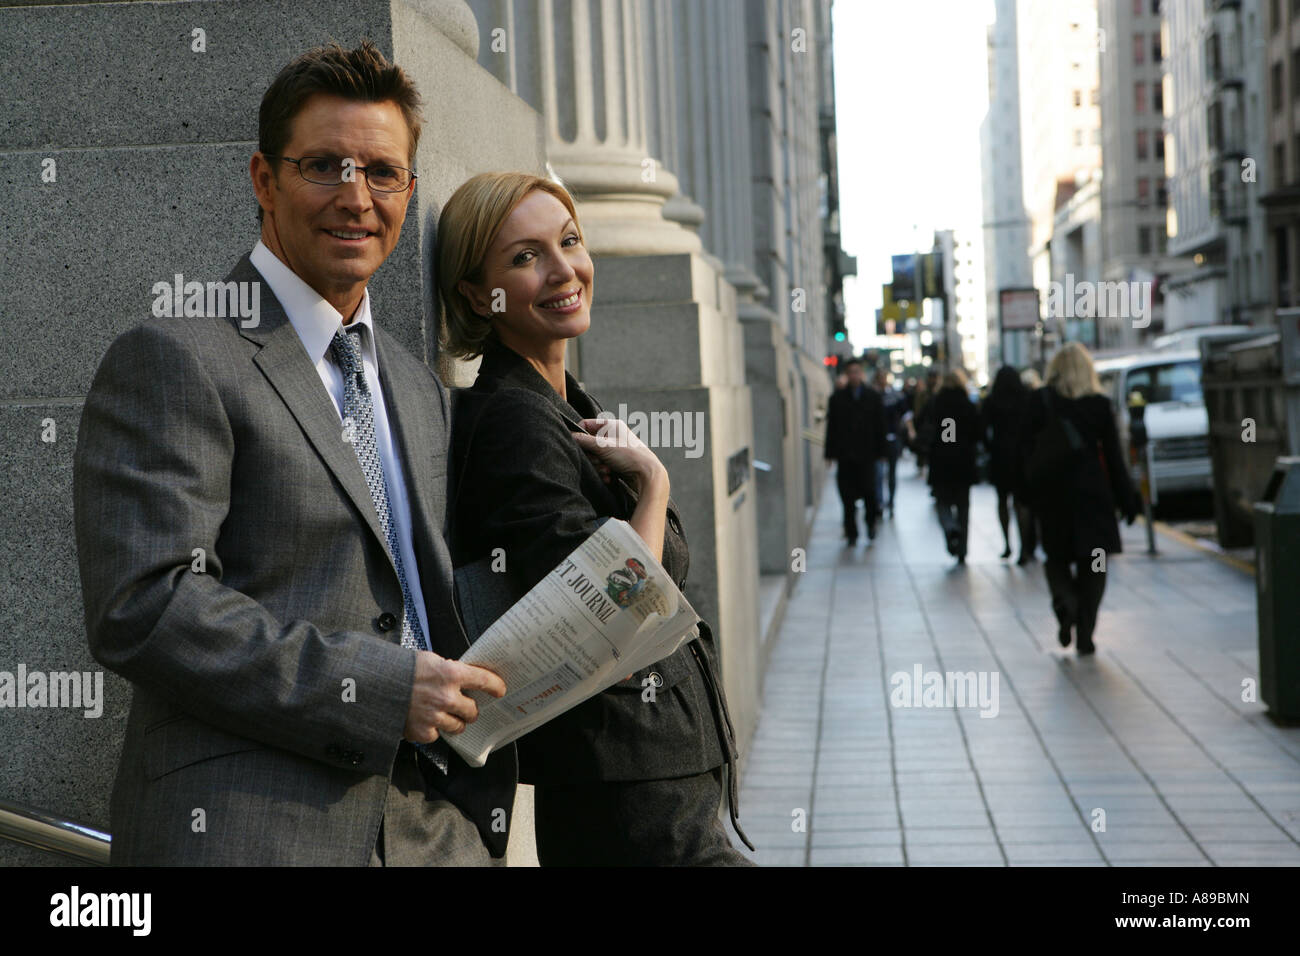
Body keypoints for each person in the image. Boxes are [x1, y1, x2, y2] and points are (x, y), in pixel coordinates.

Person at [72, 42, 515, 866]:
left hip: (431, 834)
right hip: (252, 830)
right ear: (263, 179)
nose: (357, 197)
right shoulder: (175, 356)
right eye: (324, 166)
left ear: (409, 194)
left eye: (382, 172)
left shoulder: (416, 389)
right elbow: (147, 606)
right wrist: (382, 693)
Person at [437, 171, 751, 866]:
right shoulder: (516, 419)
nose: (563, 270)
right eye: (525, 257)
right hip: (628, 778)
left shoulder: (562, 404)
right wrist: (655, 483)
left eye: (569, 241)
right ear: (474, 295)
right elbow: (619, 602)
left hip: (647, 759)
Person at [1023, 342, 1138, 655]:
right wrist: (1128, 499)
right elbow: (1114, 458)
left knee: (1057, 558)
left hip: (1052, 497)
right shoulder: (1099, 405)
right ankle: (1085, 631)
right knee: (1095, 564)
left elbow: (1027, 451)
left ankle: (1065, 602)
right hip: (1092, 497)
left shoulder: (1039, 401)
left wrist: (1026, 495)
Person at [823, 358, 887, 544]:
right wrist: (829, 454)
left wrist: (882, 452)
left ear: (862, 373)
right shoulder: (837, 398)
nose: (854, 375)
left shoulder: (873, 397)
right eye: (850, 372)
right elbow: (832, 428)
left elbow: (880, 426)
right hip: (846, 455)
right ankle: (851, 531)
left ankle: (871, 523)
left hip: (867, 454)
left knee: (869, 492)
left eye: (857, 371)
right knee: (847, 495)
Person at [981, 365, 1037, 563]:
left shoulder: (991, 401)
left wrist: (990, 448)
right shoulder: (1027, 398)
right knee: (1022, 503)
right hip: (1021, 456)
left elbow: (982, 429)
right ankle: (1024, 548)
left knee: (1002, 501)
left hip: (1000, 456)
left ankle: (1007, 545)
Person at [927, 367, 980, 564]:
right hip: (963, 461)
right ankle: (962, 550)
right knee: (963, 506)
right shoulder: (967, 404)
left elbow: (925, 425)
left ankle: (950, 527)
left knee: (942, 502)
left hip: (941, 460)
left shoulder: (936, 403)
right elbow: (977, 432)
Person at [874, 368, 905, 517]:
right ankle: (879, 501)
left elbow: (905, 414)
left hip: (893, 438)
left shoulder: (894, 396)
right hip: (878, 441)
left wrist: (910, 431)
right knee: (878, 473)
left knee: (891, 473)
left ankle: (891, 501)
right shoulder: (873, 396)